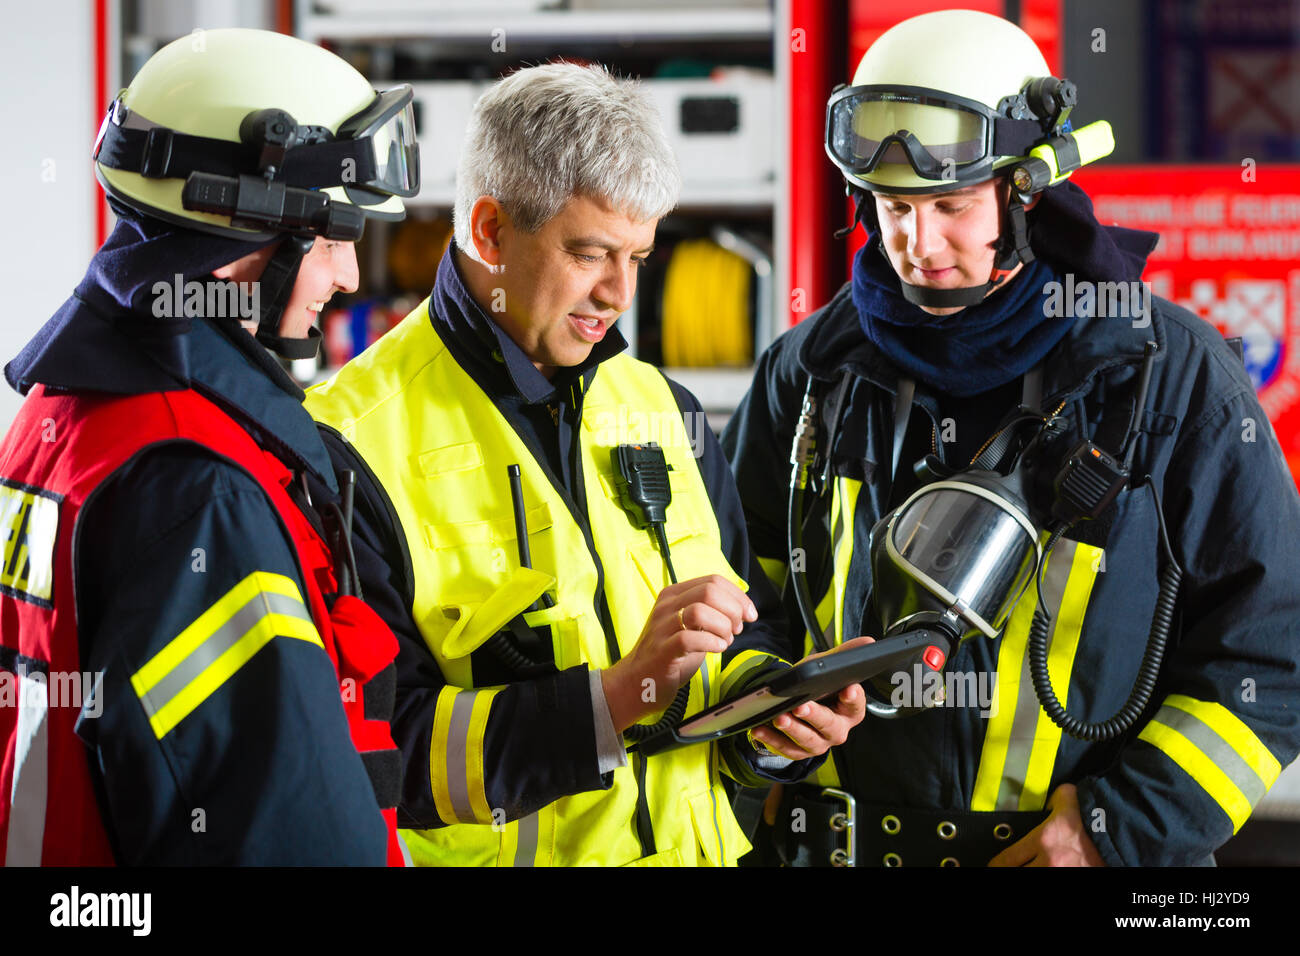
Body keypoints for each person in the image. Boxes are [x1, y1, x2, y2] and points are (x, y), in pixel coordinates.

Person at [722, 8, 1300, 867]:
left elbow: (1272, 652)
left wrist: (1117, 831)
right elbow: (733, 599)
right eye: (891, 207)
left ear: (1027, 191)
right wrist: (759, 712)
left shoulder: (1168, 378)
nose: (918, 245)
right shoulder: (811, 370)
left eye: (951, 206)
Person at [305, 62, 867, 867]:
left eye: (638, 255)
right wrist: (612, 702)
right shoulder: (346, 444)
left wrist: (777, 725)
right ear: (490, 231)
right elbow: (372, 756)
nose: (619, 292)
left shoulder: (667, 412)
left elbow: (752, 628)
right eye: (592, 252)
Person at [0, 28, 419, 865]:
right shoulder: (200, 490)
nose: (347, 277)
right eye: (334, 238)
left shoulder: (63, 413)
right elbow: (284, 827)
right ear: (243, 240)